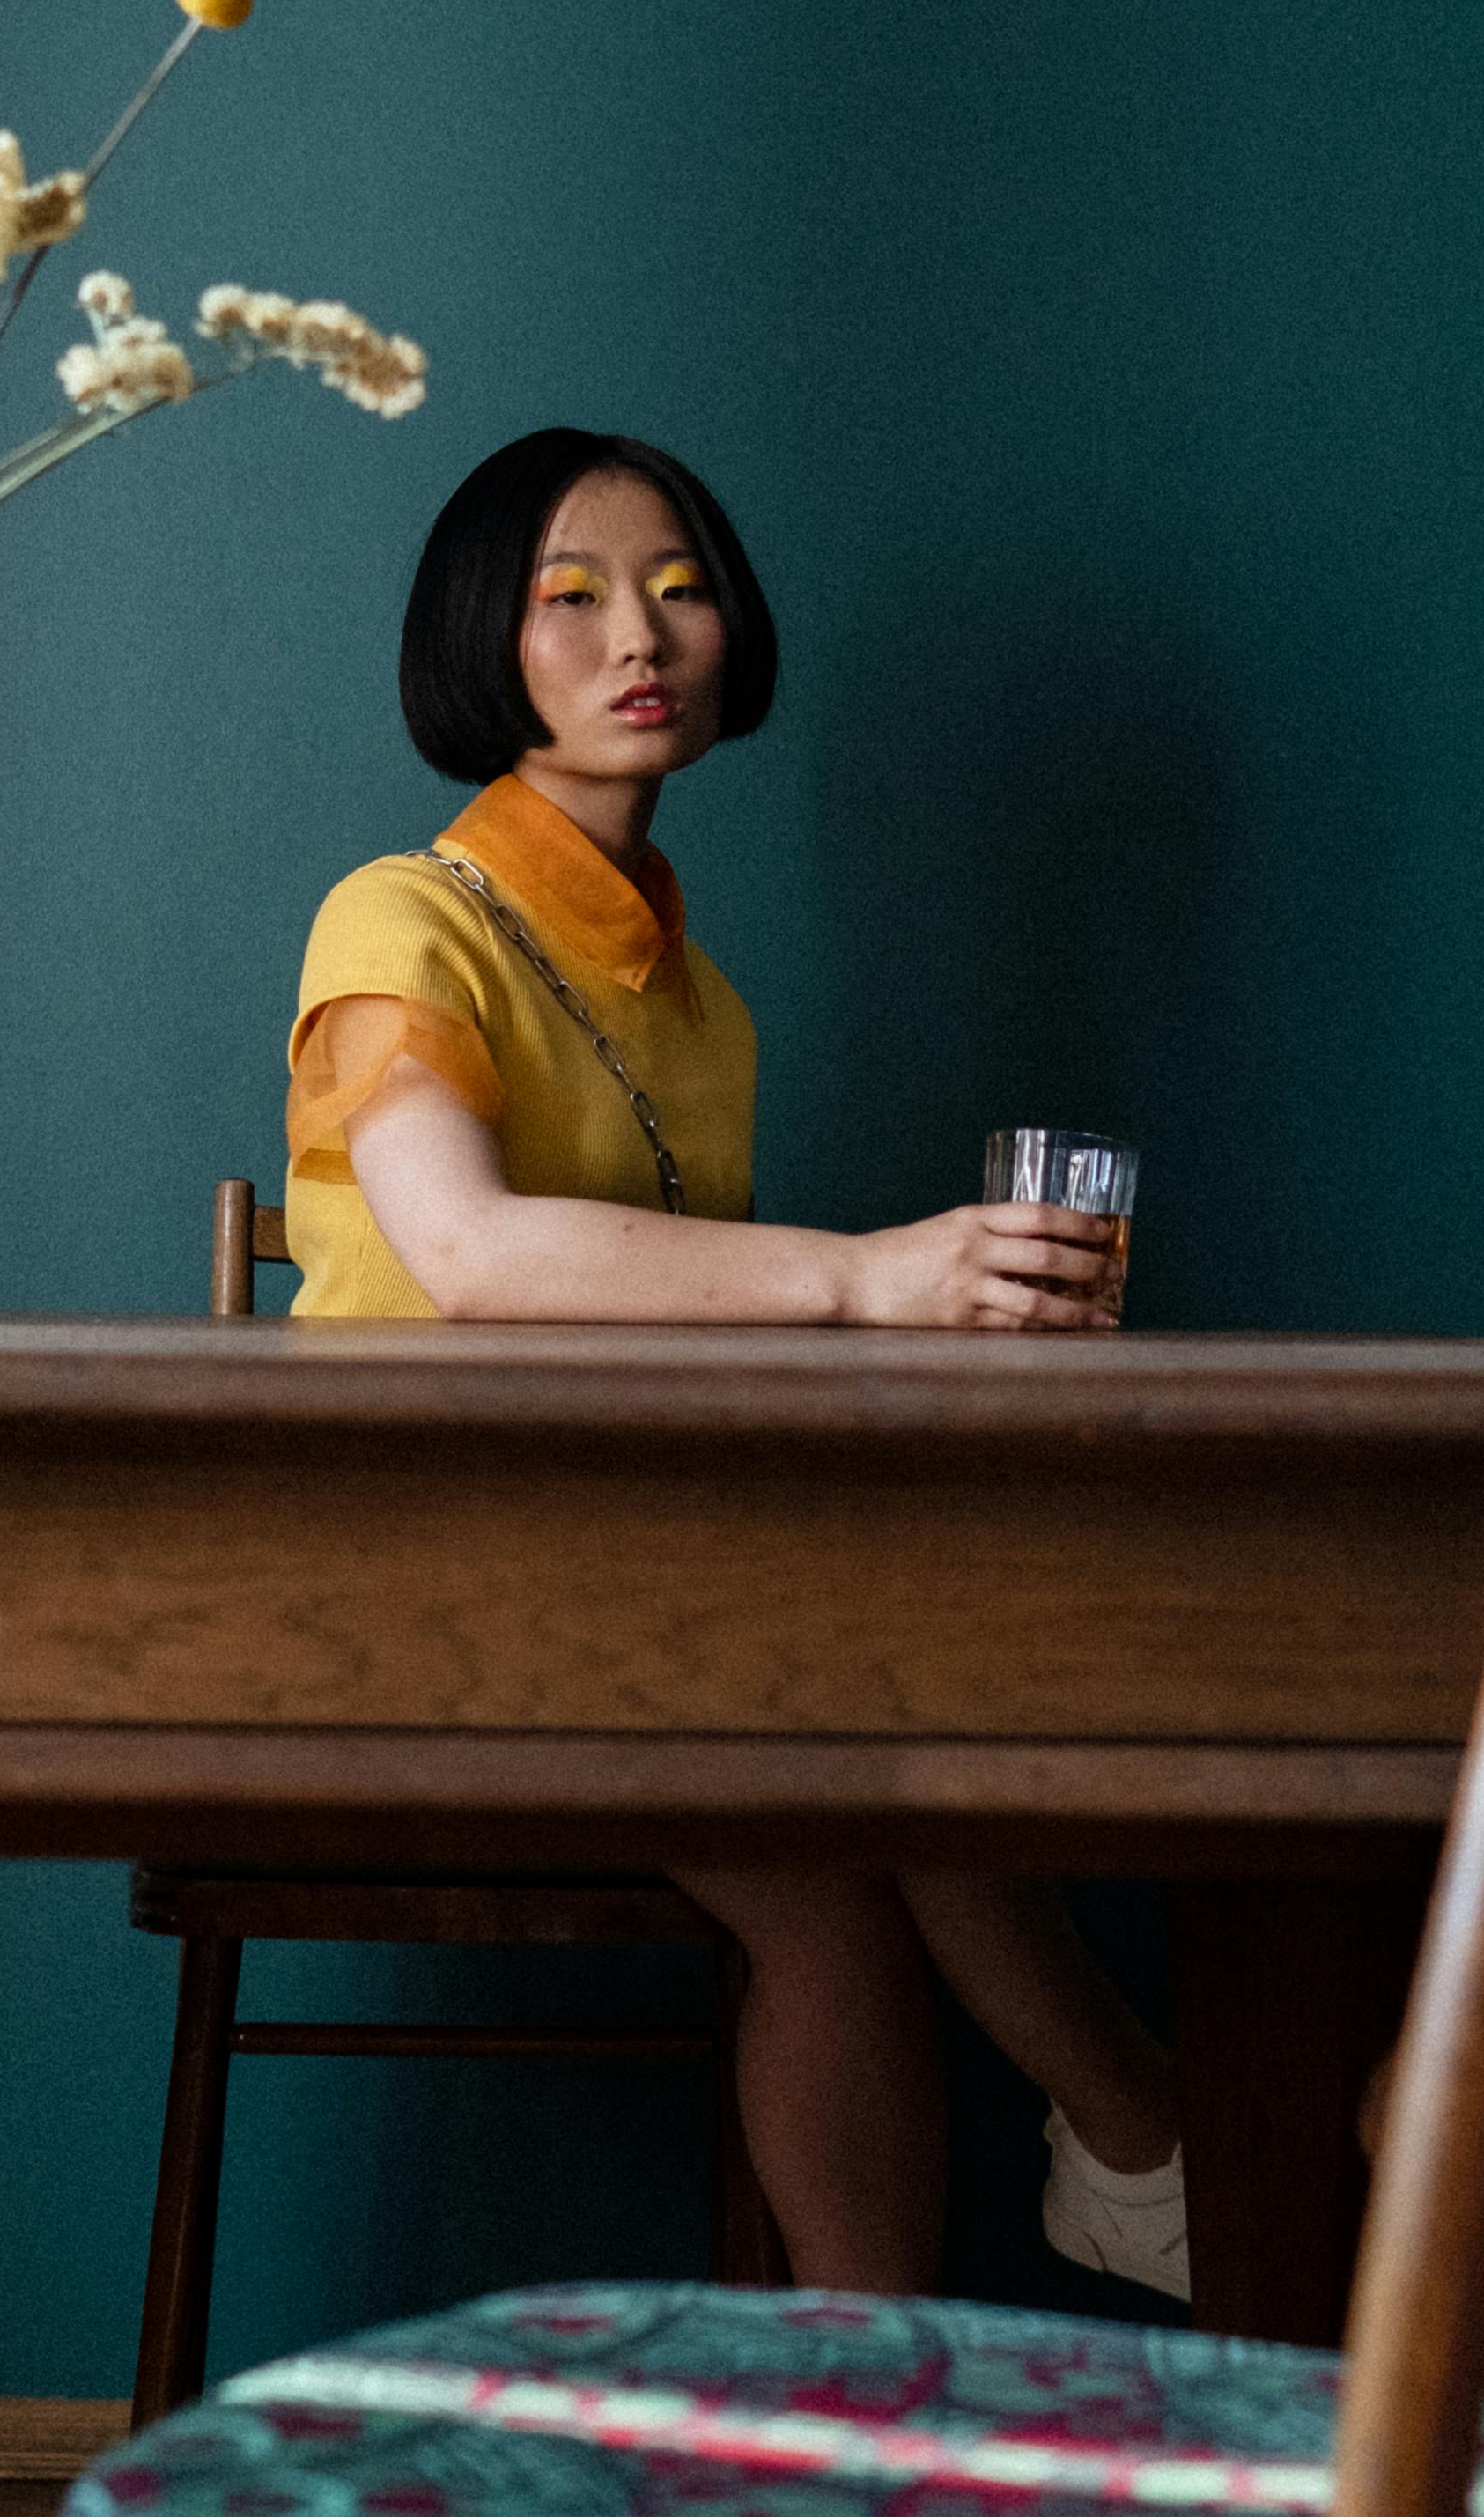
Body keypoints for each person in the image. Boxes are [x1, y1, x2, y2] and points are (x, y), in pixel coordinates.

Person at [278, 425, 1192, 2299]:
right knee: (863, 1770)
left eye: (679, 587)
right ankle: (1153, 2153)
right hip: (400, 1588)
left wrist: (942, 1325)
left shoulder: (704, 1009)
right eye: (572, 596)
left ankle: (1035, 2242)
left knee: (889, 1751)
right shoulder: (398, 917)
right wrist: (865, 1278)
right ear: (480, 638)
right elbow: (467, 1254)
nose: (641, 634)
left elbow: (689, 1349)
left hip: (625, 1576)